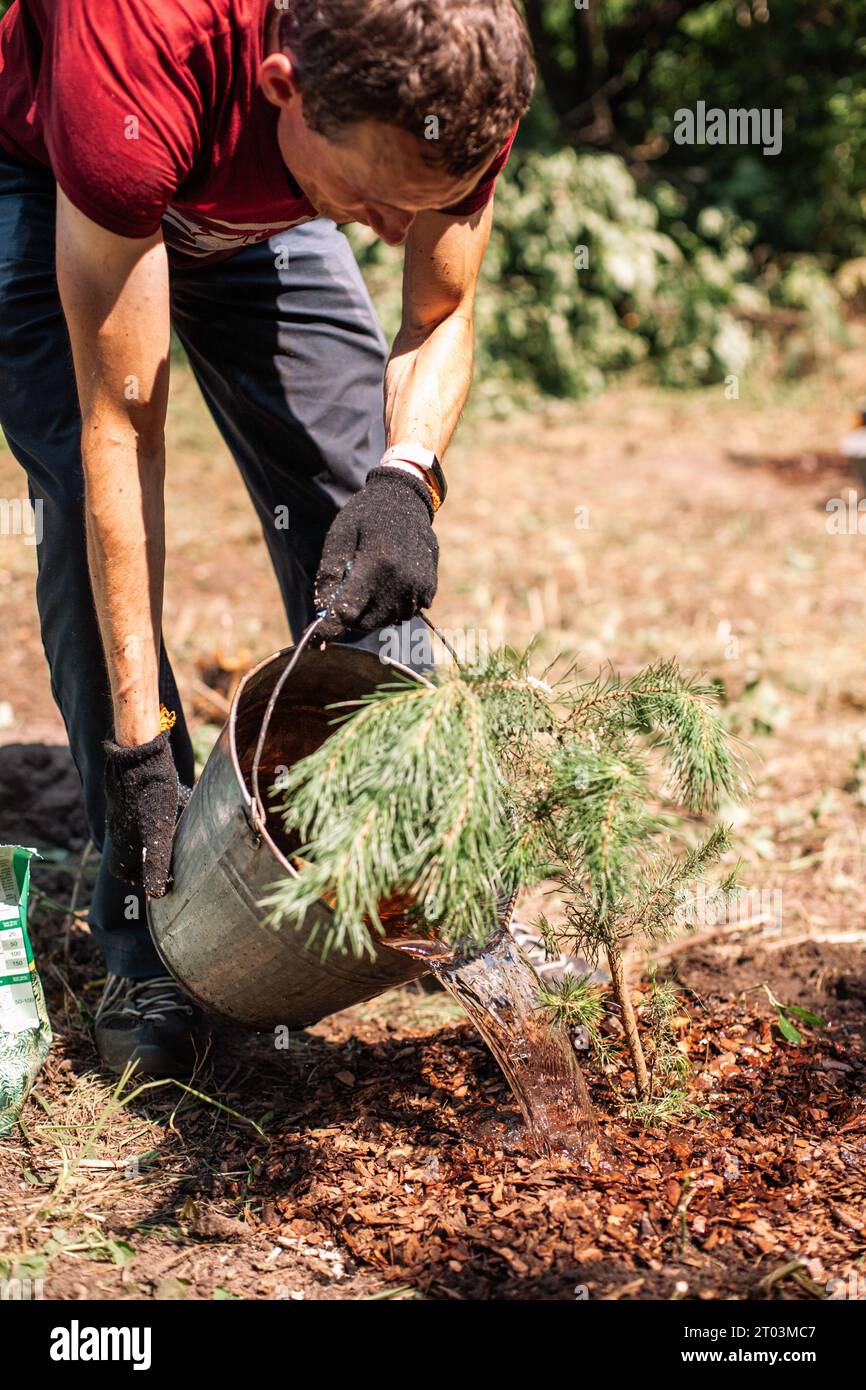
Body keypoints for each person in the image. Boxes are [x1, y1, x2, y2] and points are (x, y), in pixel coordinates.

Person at [0, 0, 535, 1074]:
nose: (391, 230)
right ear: (283, 83)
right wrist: (138, 744)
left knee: (351, 483)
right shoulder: (140, 48)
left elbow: (435, 314)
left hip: (259, 201)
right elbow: (122, 429)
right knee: (75, 516)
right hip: (57, 170)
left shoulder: (462, 73)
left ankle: (429, 884)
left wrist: (405, 478)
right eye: (377, 201)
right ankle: (147, 935)